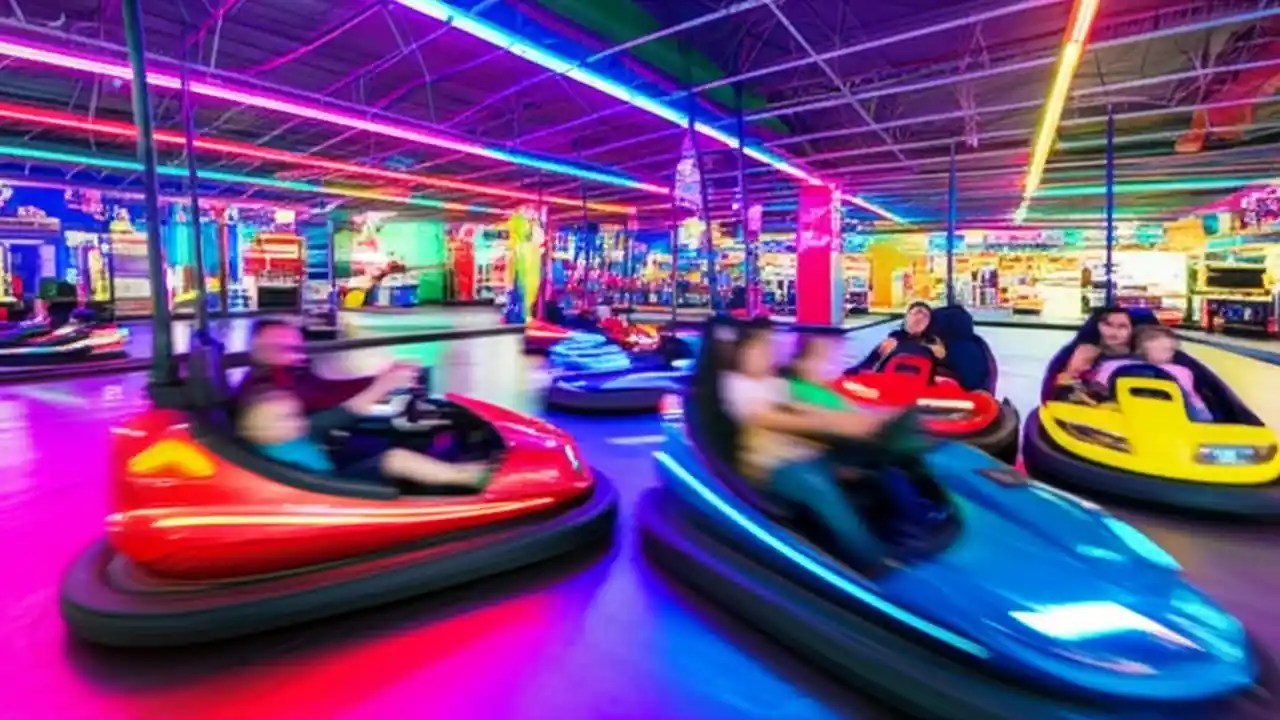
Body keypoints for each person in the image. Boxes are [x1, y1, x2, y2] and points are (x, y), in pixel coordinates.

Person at [720, 319, 910, 567]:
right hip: (772, 467)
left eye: (771, 346)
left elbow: (807, 410)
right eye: (761, 346)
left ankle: (899, 532)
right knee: (821, 489)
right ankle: (872, 562)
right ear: (740, 351)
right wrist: (842, 425)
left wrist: (864, 419)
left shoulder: (775, 383)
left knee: (871, 466)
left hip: (801, 455)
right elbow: (774, 420)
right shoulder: (737, 386)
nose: (770, 353)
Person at [237, 365, 489, 489]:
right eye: (283, 418)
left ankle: (460, 470)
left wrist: (384, 384)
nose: (297, 421)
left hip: (334, 480)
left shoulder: (297, 433)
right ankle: (471, 477)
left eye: (295, 414)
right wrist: (382, 385)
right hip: (333, 493)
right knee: (394, 459)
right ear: (258, 433)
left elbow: (347, 411)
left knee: (396, 439)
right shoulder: (271, 463)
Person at [235, 319, 379, 414]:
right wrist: (378, 385)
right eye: (289, 348)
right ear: (262, 349)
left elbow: (326, 389)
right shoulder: (268, 390)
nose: (300, 355)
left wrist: (374, 381)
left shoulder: (288, 374)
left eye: (298, 347)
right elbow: (327, 407)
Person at [1093, 325, 1212, 421]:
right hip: (1170, 423)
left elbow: (1097, 392)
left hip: (1126, 422)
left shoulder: (1110, 366)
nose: (1171, 353)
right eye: (1168, 350)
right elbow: (1200, 411)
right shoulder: (1181, 372)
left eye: (1171, 350)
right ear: (1142, 349)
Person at [1056, 307, 1134, 388]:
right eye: (1108, 324)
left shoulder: (1143, 356)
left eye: (1122, 326)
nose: (1114, 331)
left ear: (1132, 330)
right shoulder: (1085, 353)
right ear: (1097, 326)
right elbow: (1062, 388)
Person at [863, 302, 946, 369]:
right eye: (917, 312)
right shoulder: (892, 338)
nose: (920, 317)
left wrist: (939, 355)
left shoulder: (932, 341)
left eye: (925, 315)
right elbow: (866, 365)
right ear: (907, 317)